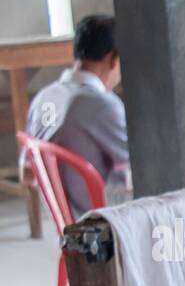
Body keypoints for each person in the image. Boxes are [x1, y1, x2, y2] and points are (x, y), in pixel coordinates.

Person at [25, 14, 130, 218]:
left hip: (67, 224)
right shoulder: (101, 105)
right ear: (114, 60)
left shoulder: (43, 98)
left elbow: (26, 173)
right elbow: (140, 168)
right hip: (103, 224)